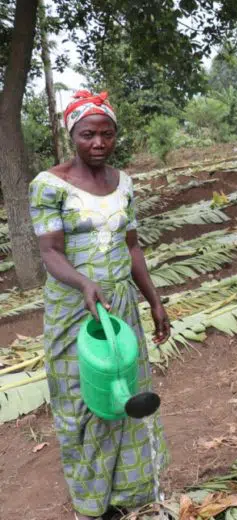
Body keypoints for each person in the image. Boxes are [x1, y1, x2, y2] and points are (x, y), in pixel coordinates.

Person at [29, 90, 171, 520]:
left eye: (106, 134)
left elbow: (133, 248)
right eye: (88, 134)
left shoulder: (123, 183)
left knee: (125, 394)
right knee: (83, 402)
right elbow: (51, 252)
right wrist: (83, 283)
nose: (98, 143)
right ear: (72, 134)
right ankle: (93, 504)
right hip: (76, 312)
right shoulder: (48, 185)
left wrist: (154, 301)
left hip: (120, 308)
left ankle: (131, 493)